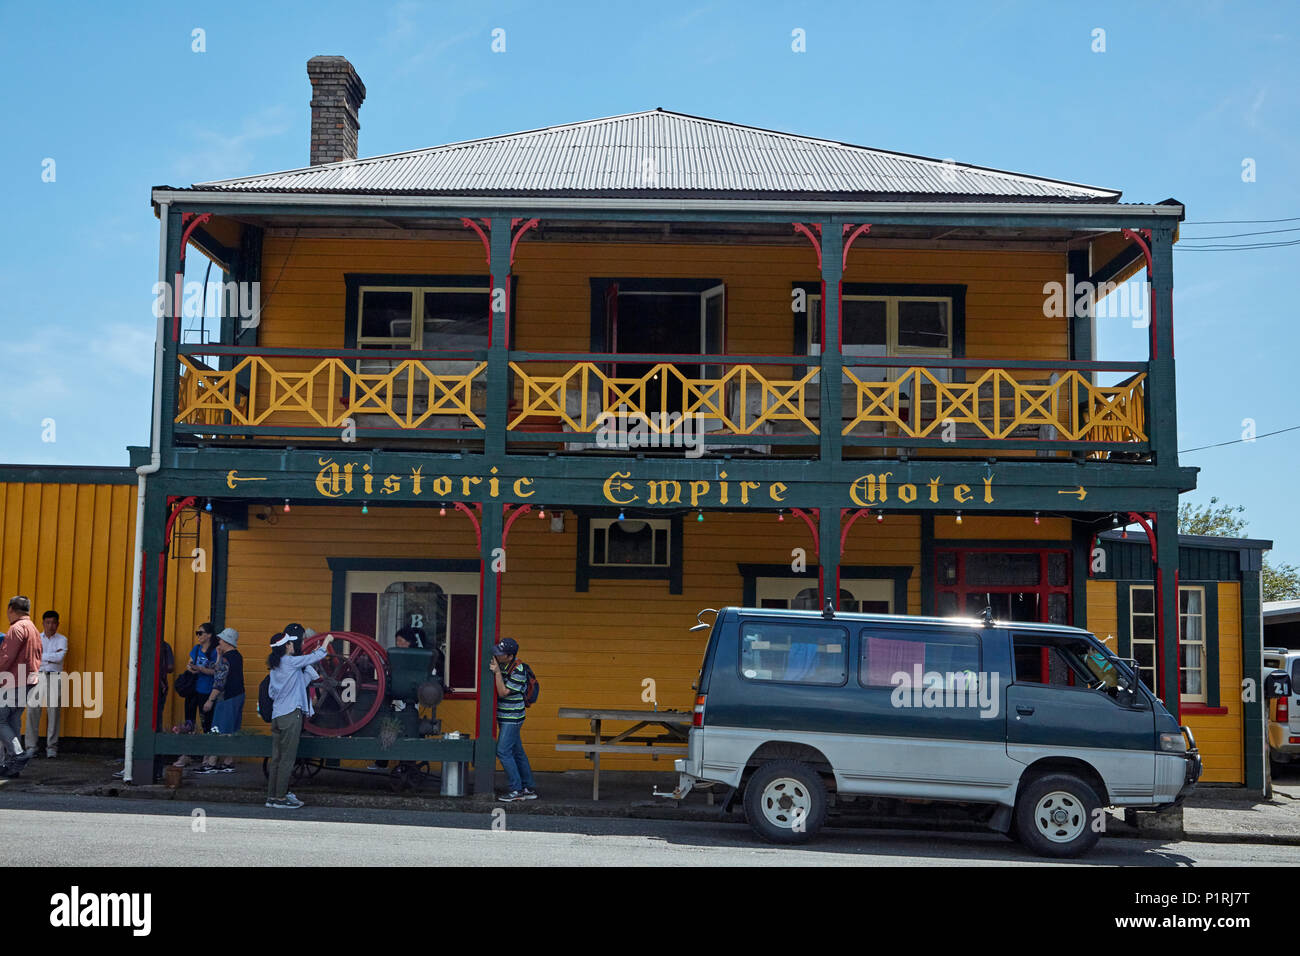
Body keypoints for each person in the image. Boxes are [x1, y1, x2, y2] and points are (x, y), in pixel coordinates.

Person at [265, 629, 332, 809]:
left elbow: (272, 692)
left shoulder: (276, 666)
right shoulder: (289, 662)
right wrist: (326, 642)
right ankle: (280, 798)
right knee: (287, 758)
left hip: (277, 715)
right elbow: (314, 657)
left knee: (277, 758)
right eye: (290, 643)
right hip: (291, 715)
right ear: (286, 646)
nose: (293, 645)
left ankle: (272, 796)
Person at [0, 597, 42, 778]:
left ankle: (17, 754)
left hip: (14, 681)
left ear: (11, 609)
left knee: (0, 719)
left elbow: (6, 657)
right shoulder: (33, 629)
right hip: (29, 682)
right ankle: (13, 766)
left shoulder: (16, 628)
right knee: (13, 720)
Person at [490, 637, 536, 802]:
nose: (497, 655)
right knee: (517, 752)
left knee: (503, 751)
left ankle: (516, 790)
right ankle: (528, 787)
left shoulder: (519, 670)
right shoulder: (503, 664)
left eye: (501, 654)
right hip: (506, 716)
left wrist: (496, 673)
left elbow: (503, 693)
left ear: (510, 656)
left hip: (512, 717)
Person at [196, 628, 243, 774]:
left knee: (218, 728)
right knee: (231, 729)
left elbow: (219, 681)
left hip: (227, 696)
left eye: (221, 640)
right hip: (238, 695)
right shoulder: (236, 656)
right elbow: (218, 669)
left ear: (227, 642)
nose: (219, 642)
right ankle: (228, 761)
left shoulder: (226, 659)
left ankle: (211, 762)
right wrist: (218, 655)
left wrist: (210, 700)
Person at [172, 624, 219, 770]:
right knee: (189, 722)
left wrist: (201, 669)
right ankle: (186, 754)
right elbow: (189, 664)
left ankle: (207, 754)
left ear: (209, 635)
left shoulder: (215, 652)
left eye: (201, 633)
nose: (198, 636)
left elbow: (216, 672)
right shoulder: (196, 649)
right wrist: (191, 668)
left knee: (207, 724)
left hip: (206, 690)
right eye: (197, 633)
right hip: (193, 689)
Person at [24, 610, 68, 758]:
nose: (51, 626)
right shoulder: (36, 639)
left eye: (54, 623)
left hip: (54, 677)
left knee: (53, 711)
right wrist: (50, 657)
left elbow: (60, 657)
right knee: (32, 711)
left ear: (58, 624)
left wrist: (42, 657)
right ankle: (31, 747)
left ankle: (52, 748)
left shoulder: (62, 639)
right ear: (43, 623)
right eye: (48, 622)